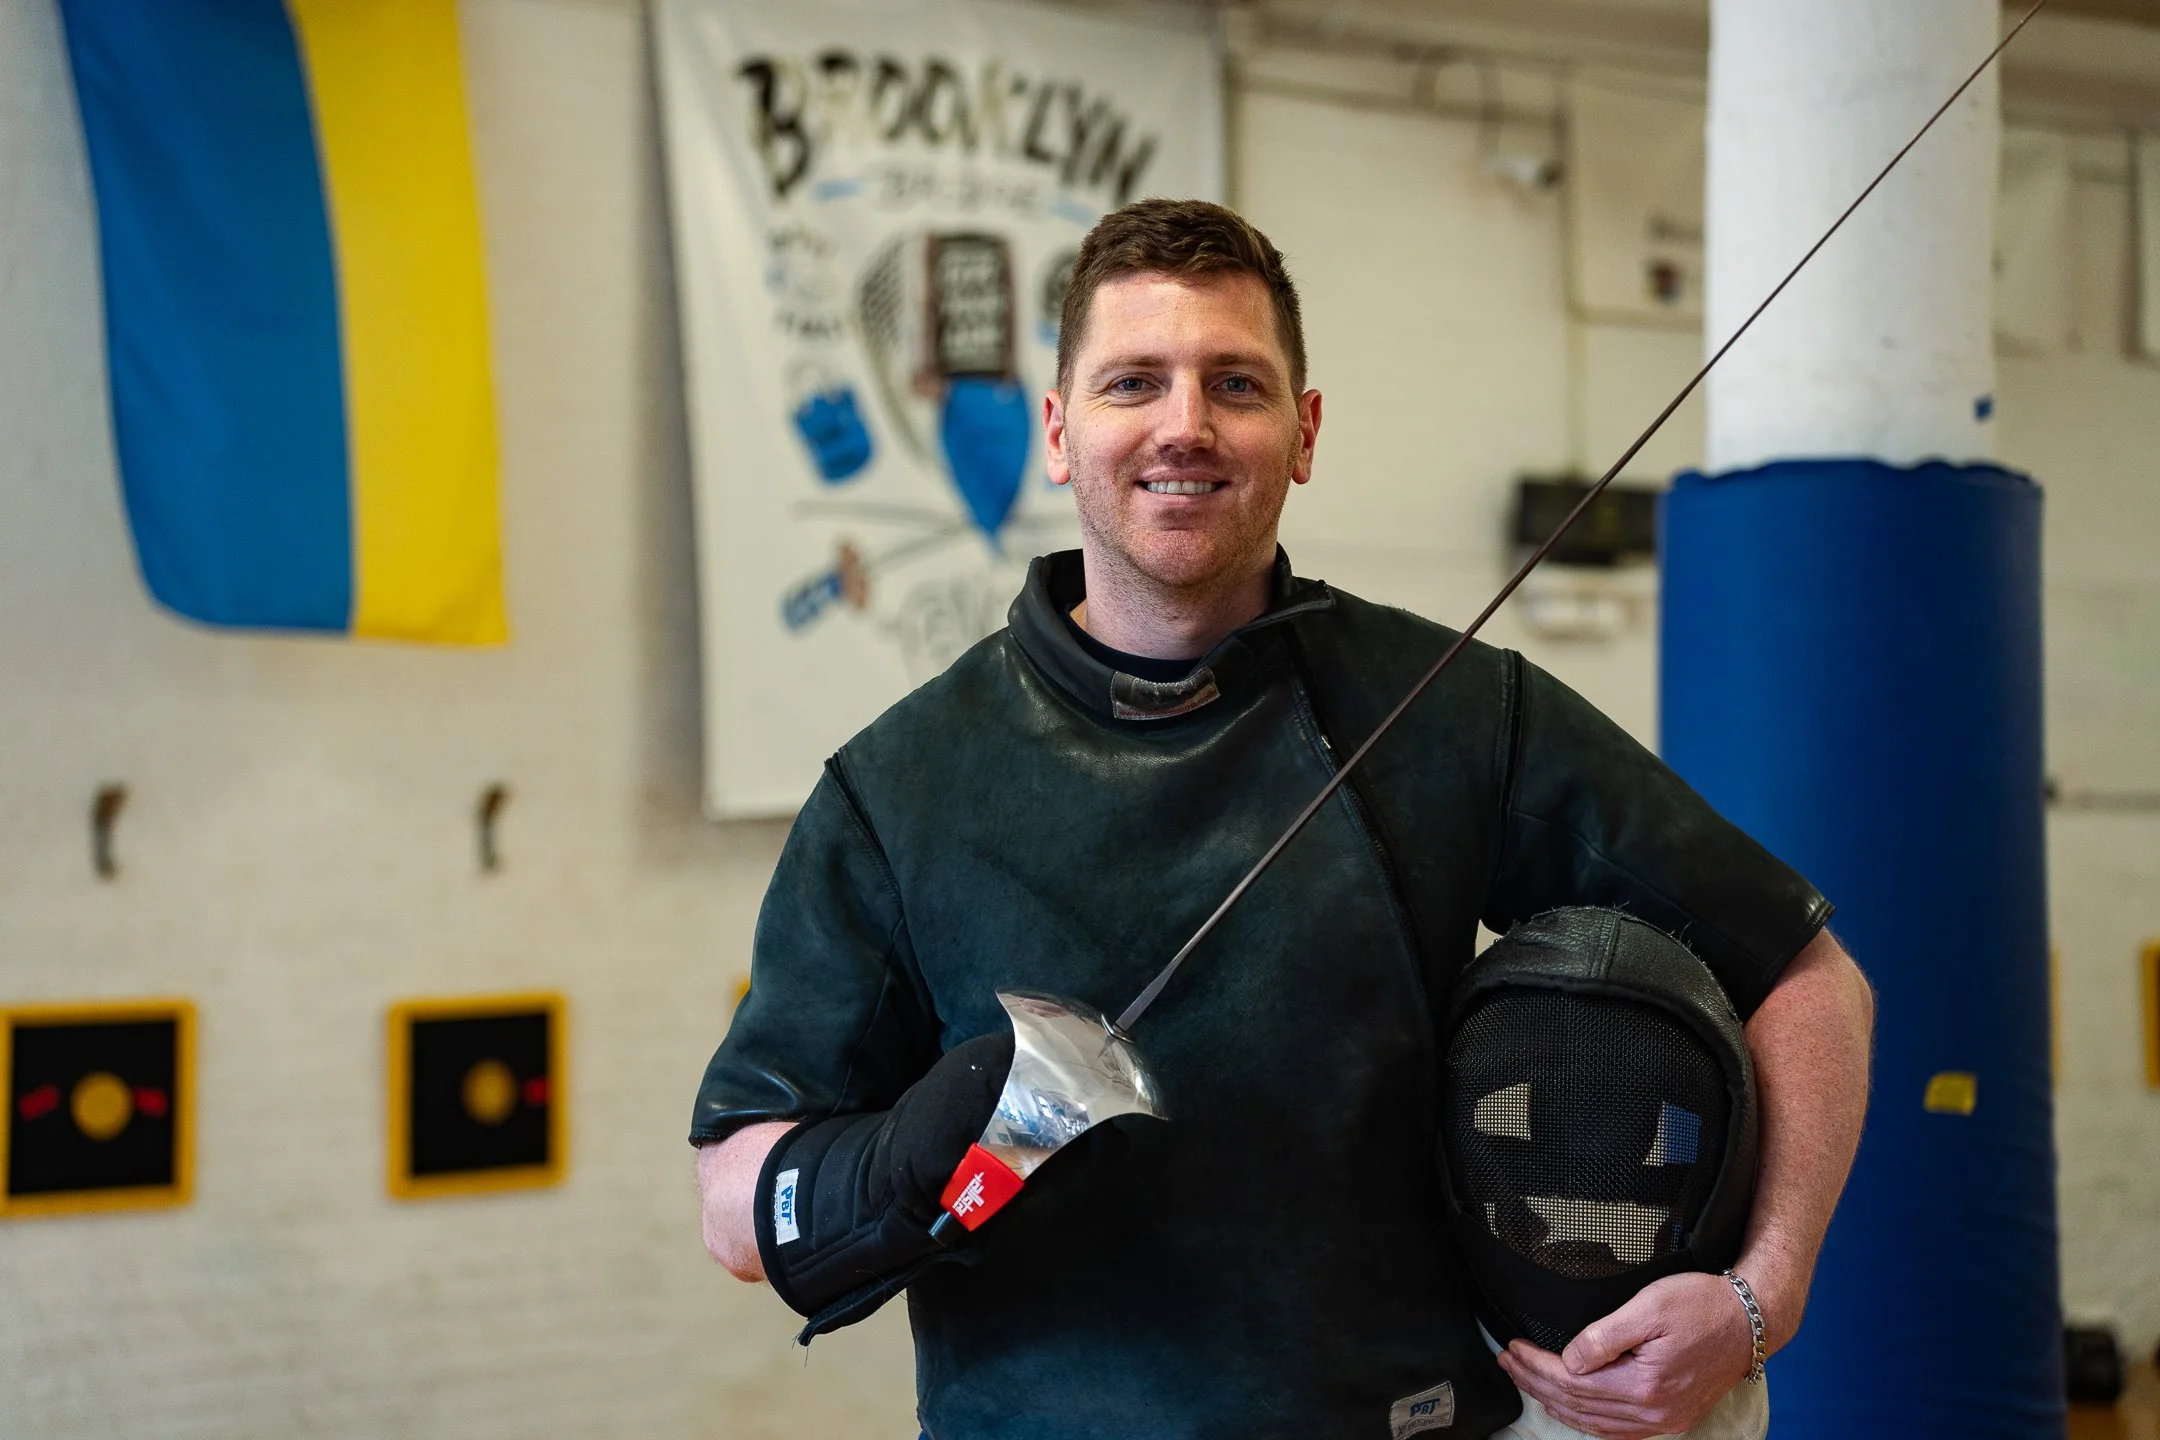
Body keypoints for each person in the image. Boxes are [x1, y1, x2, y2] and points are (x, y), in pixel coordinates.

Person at [691, 199, 1874, 1440]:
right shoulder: (899, 787)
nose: (1184, 425)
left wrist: (1763, 1295)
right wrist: (898, 1166)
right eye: (1133, 382)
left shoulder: (1451, 711)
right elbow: (736, 1203)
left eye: (1235, 385)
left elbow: (1809, 981)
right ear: (1057, 433)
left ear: (1303, 434)